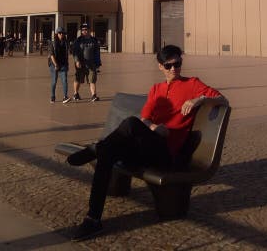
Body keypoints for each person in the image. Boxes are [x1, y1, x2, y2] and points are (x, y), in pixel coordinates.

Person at [67, 44, 224, 241]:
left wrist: (198, 100)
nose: (174, 69)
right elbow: (145, 118)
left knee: (127, 127)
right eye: (169, 66)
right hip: (149, 145)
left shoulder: (192, 83)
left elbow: (221, 98)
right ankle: (93, 219)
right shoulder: (156, 89)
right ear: (160, 66)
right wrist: (153, 128)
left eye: (178, 64)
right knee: (108, 154)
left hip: (166, 154)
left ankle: (95, 149)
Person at [71, 23, 100, 102]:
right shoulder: (78, 40)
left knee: (92, 79)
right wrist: (77, 61)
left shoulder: (94, 40)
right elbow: (74, 52)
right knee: (78, 79)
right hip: (81, 64)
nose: (84, 31)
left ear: (89, 30)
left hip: (91, 64)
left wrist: (98, 63)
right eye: (83, 30)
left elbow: (97, 52)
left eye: (86, 29)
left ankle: (94, 95)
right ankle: (76, 94)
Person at [49, 27, 70, 103]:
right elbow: (51, 55)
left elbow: (67, 53)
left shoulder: (66, 42)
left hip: (63, 64)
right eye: (60, 33)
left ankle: (65, 96)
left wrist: (67, 64)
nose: (61, 34)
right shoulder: (52, 42)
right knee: (54, 81)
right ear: (56, 34)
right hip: (54, 65)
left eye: (63, 33)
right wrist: (55, 64)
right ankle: (53, 96)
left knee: (64, 80)